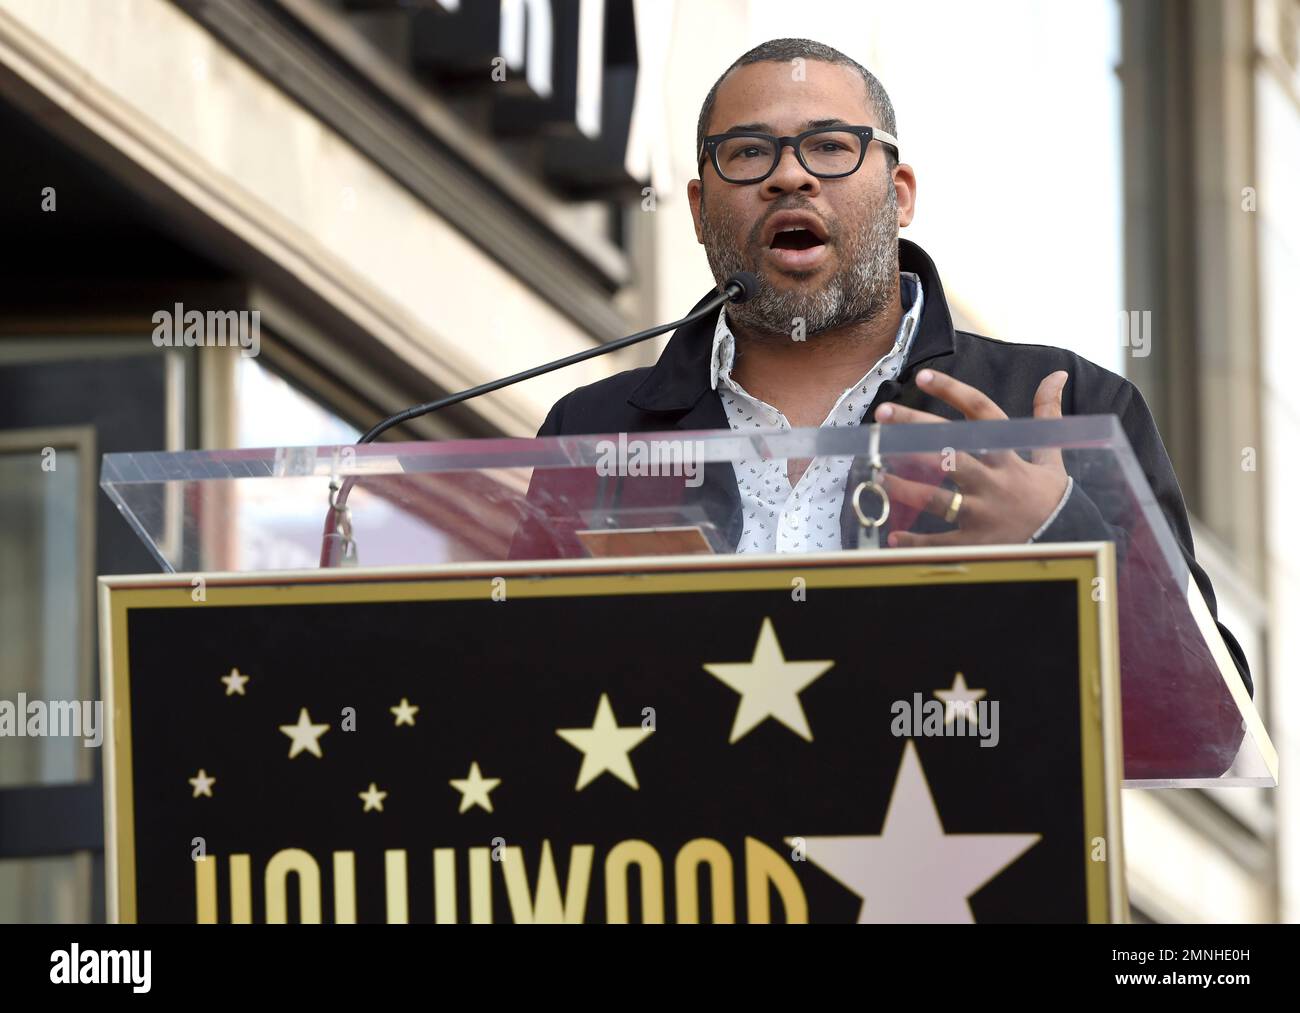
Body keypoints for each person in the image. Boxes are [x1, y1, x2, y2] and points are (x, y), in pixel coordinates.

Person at [526, 38, 1250, 694]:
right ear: (697, 208)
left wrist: (1061, 533)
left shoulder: (1056, 408)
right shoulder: (597, 432)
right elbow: (514, 687)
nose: (789, 177)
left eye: (831, 147)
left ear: (899, 195)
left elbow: (1209, 713)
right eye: (748, 152)